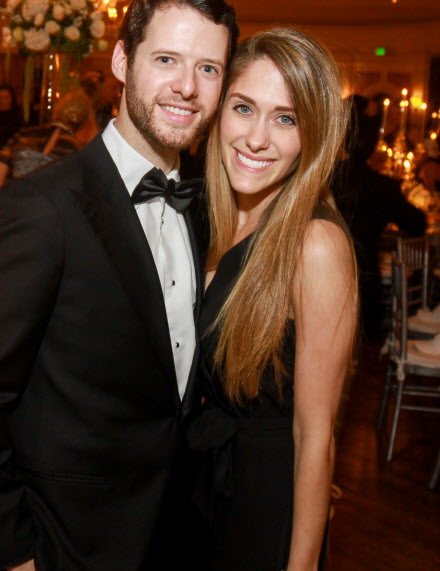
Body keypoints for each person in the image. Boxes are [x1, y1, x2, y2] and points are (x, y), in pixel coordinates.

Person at [0, 0, 238, 571]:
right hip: (64, 541)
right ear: (123, 60)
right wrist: (14, 553)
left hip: (170, 534)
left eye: (209, 68)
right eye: (167, 60)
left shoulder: (206, 207)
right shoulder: (39, 209)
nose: (187, 86)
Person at [189, 28, 357, 570]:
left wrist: (301, 566)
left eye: (285, 119)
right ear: (218, 112)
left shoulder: (316, 244)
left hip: (263, 503)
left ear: (313, 136)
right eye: (244, 108)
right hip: (199, 486)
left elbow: (316, 436)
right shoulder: (210, 219)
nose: (257, 138)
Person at [334, 97, 426, 338]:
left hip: (316, 289)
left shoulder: (319, 179)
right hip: (364, 294)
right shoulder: (382, 187)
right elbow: (418, 224)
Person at [0, 88, 92, 193]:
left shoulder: (24, 133)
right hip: (47, 207)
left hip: (14, 203)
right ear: (84, 123)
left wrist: (10, 200)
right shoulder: (77, 152)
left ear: (56, 111)